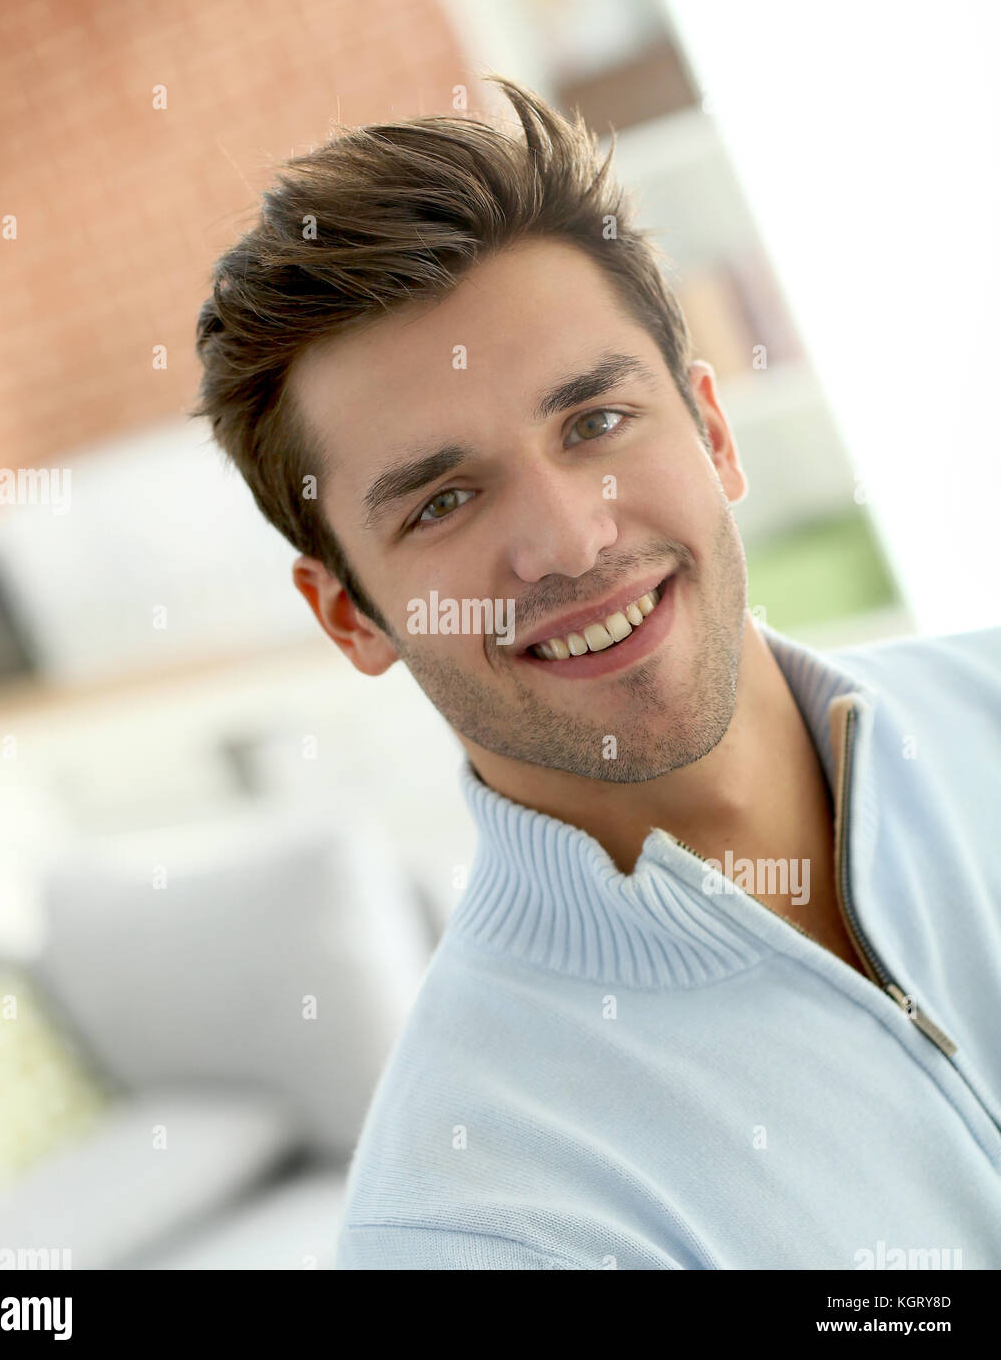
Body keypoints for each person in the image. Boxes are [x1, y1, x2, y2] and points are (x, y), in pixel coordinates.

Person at [192, 76, 1001, 1269]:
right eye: (445, 500)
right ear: (349, 616)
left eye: (594, 422)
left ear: (712, 428)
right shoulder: (474, 1225)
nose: (571, 542)